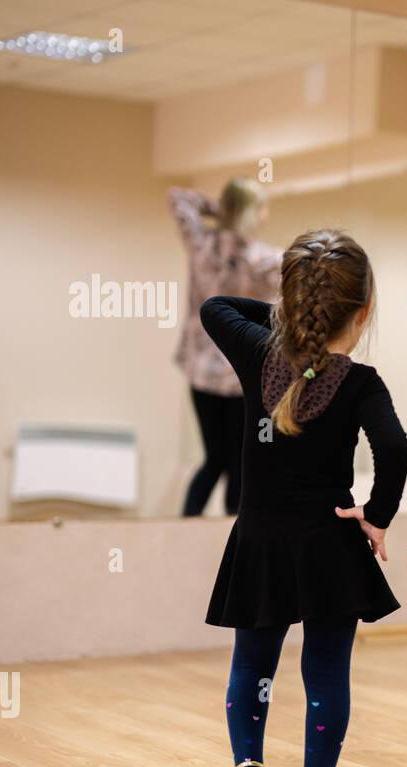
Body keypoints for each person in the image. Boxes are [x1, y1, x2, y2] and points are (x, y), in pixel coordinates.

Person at [200, 230, 407, 767]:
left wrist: (289, 319)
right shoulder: (361, 381)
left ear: (291, 303)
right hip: (328, 544)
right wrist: (378, 514)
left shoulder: (258, 352)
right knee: (326, 671)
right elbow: (394, 447)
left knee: (253, 665)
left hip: (261, 540)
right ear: (364, 312)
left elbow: (216, 307)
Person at [169, 178, 281, 516]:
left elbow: (178, 197)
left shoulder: (201, 244)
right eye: (260, 208)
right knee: (238, 462)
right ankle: (235, 531)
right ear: (251, 213)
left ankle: (184, 527)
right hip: (237, 376)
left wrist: (224, 209)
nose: (265, 215)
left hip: (201, 372)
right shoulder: (263, 260)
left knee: (213, 460)